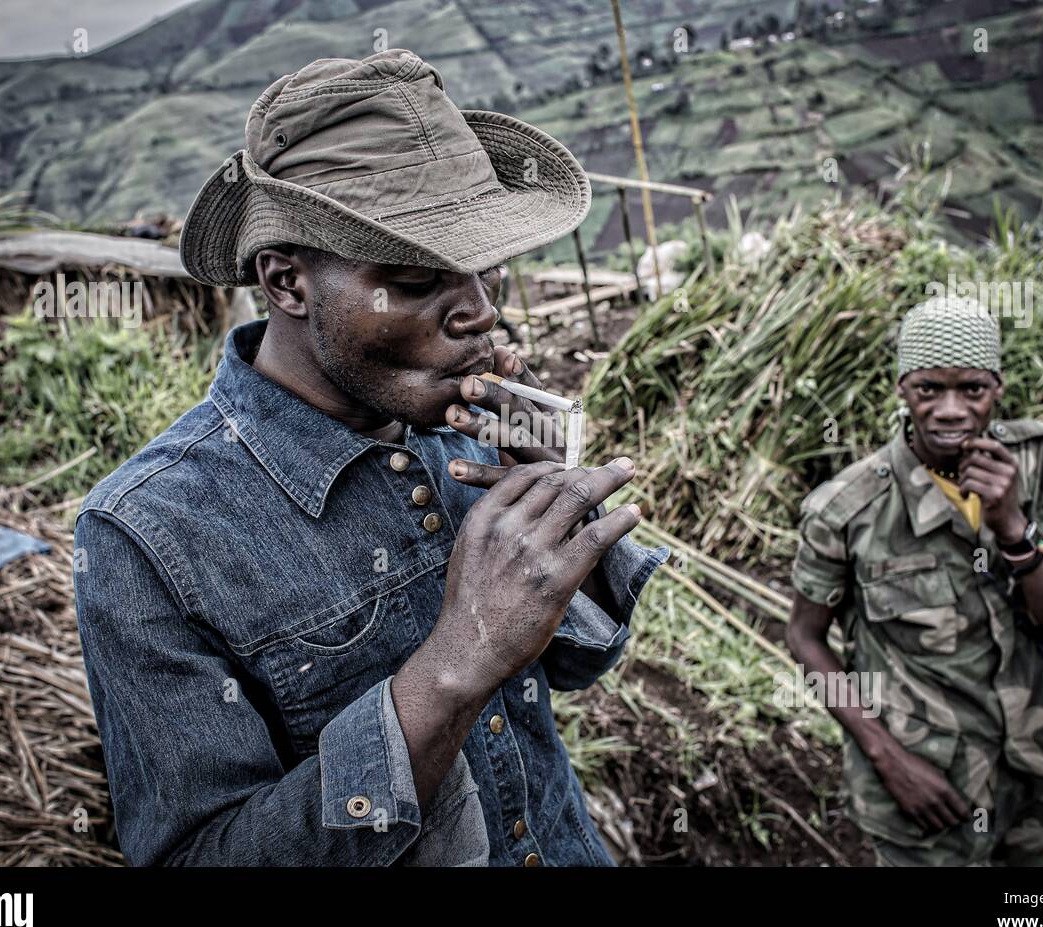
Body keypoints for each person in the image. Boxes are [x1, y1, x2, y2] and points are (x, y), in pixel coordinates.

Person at [72, 48, 667, 866]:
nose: (481, 313)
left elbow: (574, 664)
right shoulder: (147, 538)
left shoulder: (467, 429)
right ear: (288, 284)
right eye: (418, 281)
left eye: (484, 270)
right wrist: (457, 663)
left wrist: (552, 508)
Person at [786, 294, 1043, 866]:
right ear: (903, 389)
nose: (951, 410)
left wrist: (1012, 529)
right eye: (930, 388)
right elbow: (806, 637)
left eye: (972, 389)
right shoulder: (849, 508)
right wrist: (887, 758)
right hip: (925, 787)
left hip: (1032, 771)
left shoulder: (1041, 465)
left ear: (997, 389)